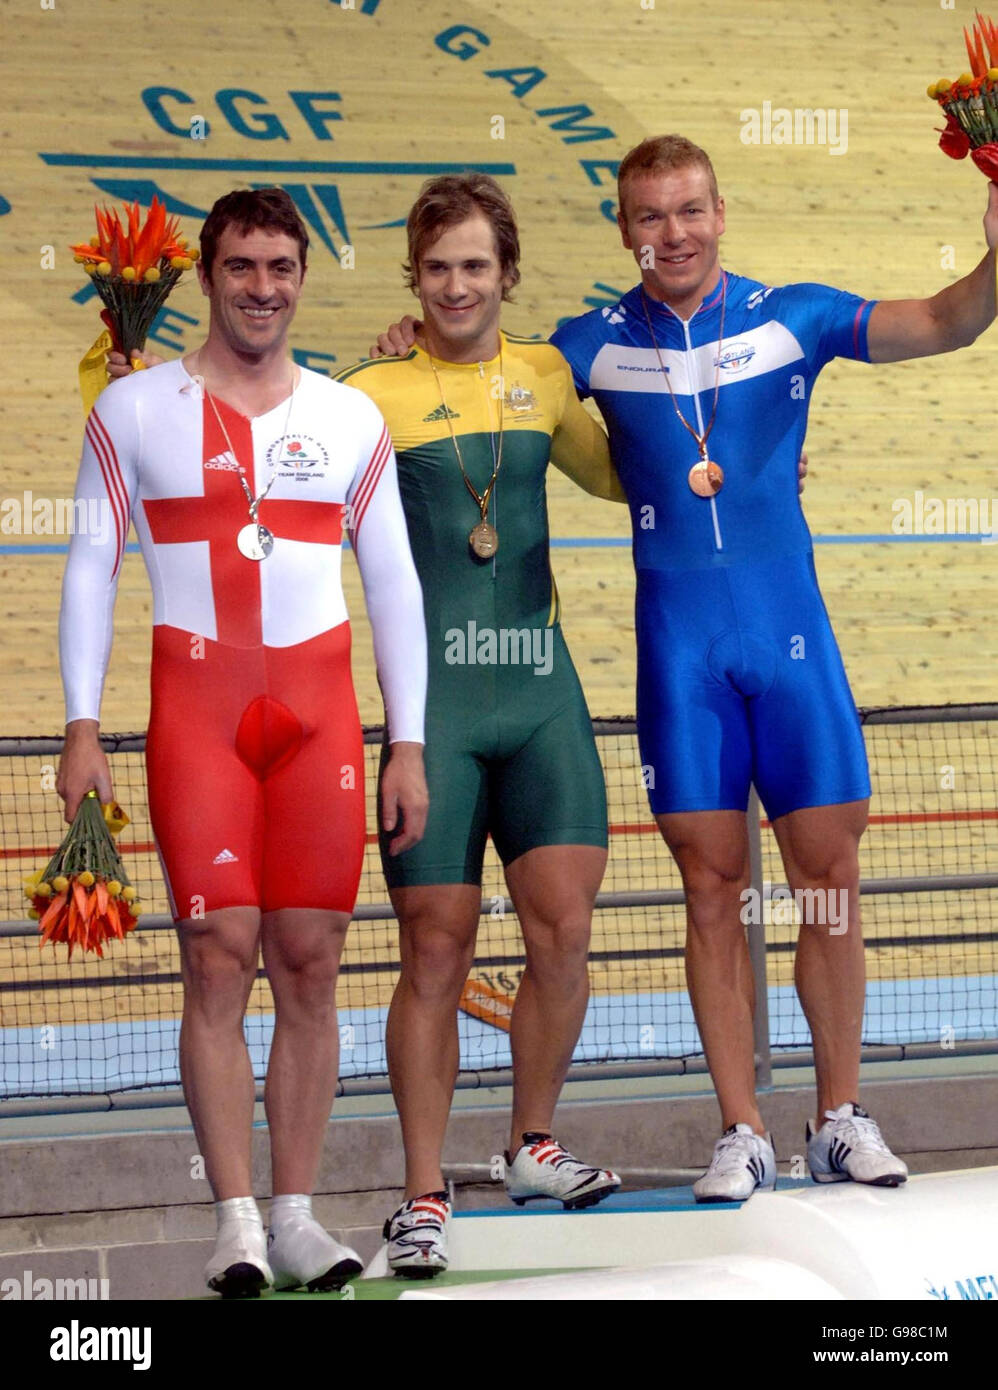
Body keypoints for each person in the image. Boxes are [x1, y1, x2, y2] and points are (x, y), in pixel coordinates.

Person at [375, 136, 997, 1203]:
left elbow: (942, 322)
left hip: (790, 642)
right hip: (681, 655)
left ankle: (840, 1115)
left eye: (689, 211)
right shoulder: (579, 348)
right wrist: (409, 341)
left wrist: (992, 260)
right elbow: (478, 370)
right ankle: (741, 1128)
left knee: (828, 881)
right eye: (650, 217)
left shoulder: (791, 314)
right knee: (711, 889)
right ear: (622, 228)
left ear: (721, 211)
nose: (672, 234)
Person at [57, 187, 429, 1296]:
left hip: (319, 722)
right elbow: (87, 565)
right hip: (198, 718)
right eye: (240, 268)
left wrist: (406, 741)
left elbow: (395, 580)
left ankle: (299, 1213)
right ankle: (234, 1223)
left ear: (302, 276)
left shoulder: (350, 417)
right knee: (217, 960)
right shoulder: (133, 412)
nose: (261, 288)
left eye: (280, 267)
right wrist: (83, 725)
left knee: (312, 963)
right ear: (206, 278)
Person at [338, 175, 631, 1277]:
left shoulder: (547, 377)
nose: (456, 284)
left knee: (562, 932)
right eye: (436, 267)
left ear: (507, 275)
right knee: (434, 951)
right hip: (437, 711)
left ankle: (530, 1144)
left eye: (475, 265)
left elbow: (621, 474)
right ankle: (420, 1194)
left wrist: (737, 469)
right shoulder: (367, 391)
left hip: (540, 692)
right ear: (413, 280)